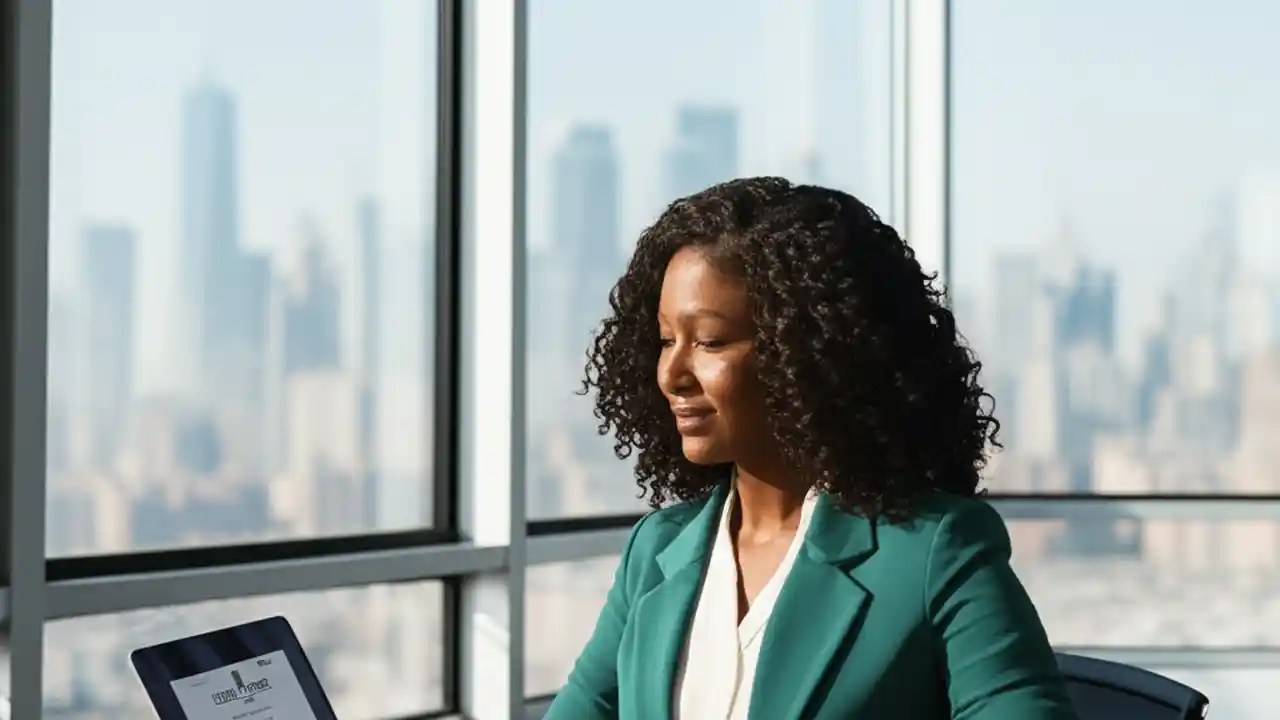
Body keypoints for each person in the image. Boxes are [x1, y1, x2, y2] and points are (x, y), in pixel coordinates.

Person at [545, 177, 1077, 719]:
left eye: (709, 341)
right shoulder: (656, 552)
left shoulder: (933, 552)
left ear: (802, 352)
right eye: (664, 340)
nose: (672, 374)